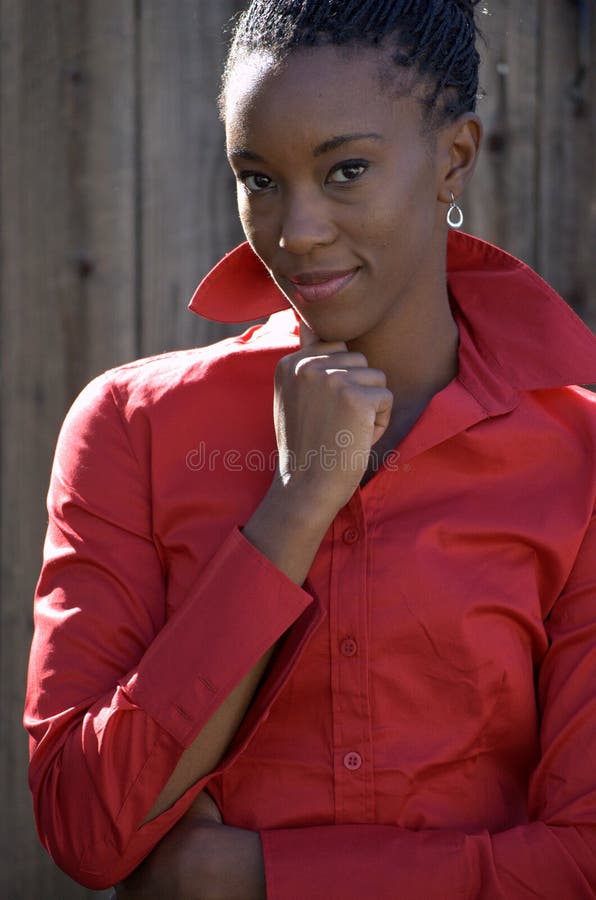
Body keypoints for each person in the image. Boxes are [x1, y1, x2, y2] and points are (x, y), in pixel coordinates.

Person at [24, 0, 596, 897]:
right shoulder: (131, 426)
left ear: (455, 158)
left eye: (347, 171)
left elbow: (582, 859)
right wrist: (294, 506)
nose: (295, 232)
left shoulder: (581, 458)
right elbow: (83, 825)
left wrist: (252, 877)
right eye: (258, 178)